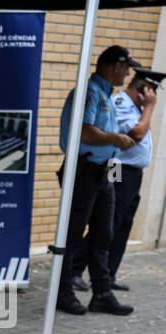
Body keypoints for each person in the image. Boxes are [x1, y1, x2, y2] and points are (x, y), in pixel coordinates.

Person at [56, 46, 139, 316]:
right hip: (85, 170)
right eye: (126, 68)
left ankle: (102, 293)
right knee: (72, 232)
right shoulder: (89, 91)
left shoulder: (105, 94)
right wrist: (116, 139)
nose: (127, 74)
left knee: (105, 232)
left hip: (105, 171)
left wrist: (114, 173)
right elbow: (85, 133)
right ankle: (63, 291)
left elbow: (107, 141)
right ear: (115, 65)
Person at [72, 69, 159, 291]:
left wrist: (145, 108)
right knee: (107, 222)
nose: (153, 98)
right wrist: (149, 108)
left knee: (122, 223)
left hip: (133, 172)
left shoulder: (136, 108)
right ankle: (74, 269)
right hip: (117, 167)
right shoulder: (120, 103)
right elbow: (136, 134)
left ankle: (107, 276)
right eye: (151, 92)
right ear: (142, 90)